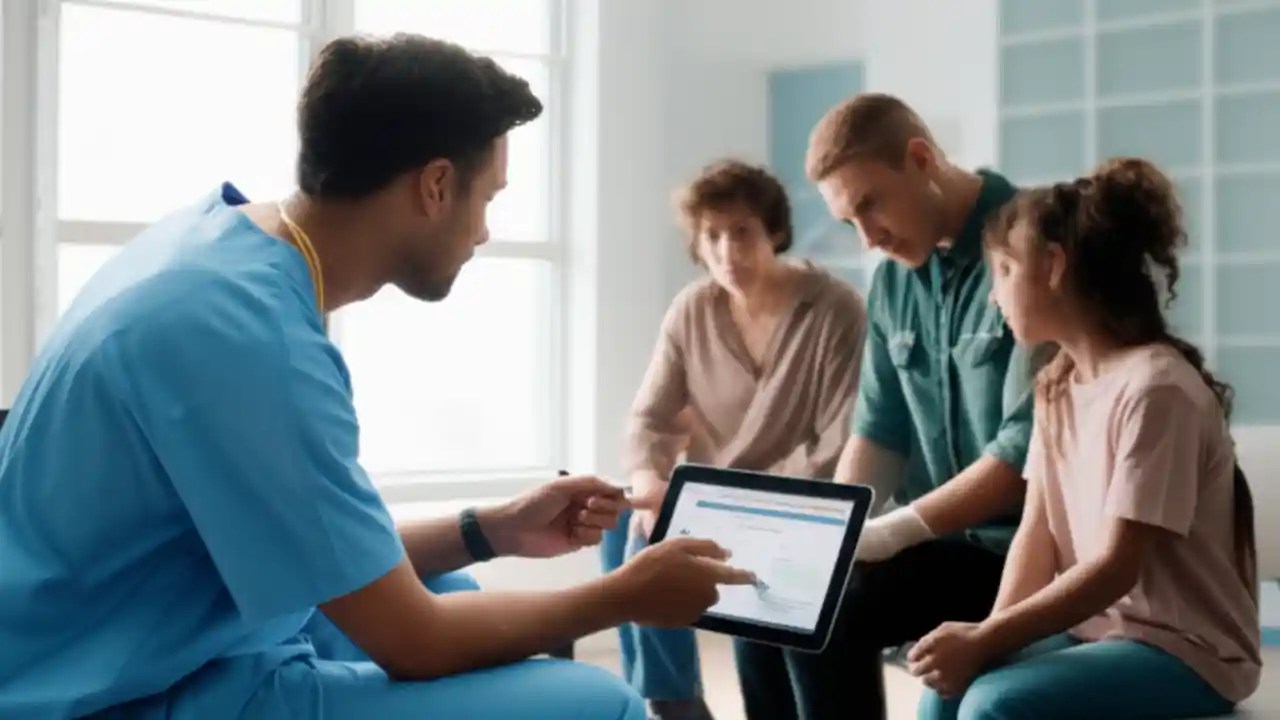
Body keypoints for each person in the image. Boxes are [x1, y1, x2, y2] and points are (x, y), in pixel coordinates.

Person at [0, 34, 758, 720]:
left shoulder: (212, 249)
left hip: (115, 629)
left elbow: (317, 551)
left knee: (457, 591)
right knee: (598, 703)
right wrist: (624, 595)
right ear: (434, 187)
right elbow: (415, 643)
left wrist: (487, 531)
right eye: (488, 196)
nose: (486, 230)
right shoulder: (253, 347)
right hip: (121, 694)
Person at [912, 157, 1262, 719]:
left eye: (1002, 270)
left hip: (1186, 650)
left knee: (993, 705)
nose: (993, 297)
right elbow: (1037, 533)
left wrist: (986, 644)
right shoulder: (1055, 384)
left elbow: (1116, 567)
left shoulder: (1157, 388)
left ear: (1052, 266)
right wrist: (988, 637)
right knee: (944, 693)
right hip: (1100, 631)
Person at [731, 93, 1036, 720]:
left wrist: (886, 535)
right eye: (850, 222)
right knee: (762, 595)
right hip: (937, 543)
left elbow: (1020, 459)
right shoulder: (896, 280)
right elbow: (878, 433)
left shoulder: (1027, 251)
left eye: (870, 204)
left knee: (831, 606)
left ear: (920, 159)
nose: (868, 238)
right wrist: (832, 536)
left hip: (1018, 549)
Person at [599, 158, 868, 720]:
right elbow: (649, 419)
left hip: (796, 501)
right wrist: (650, 484)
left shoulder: (834, 308)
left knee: (640, 546)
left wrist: (723, 502)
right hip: (712, 499)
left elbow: (837, 445)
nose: (727, 252)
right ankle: (673, 699)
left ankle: (670, 706)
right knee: (626, 521)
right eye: (712, 236)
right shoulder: (692, 309)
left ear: (773, 229)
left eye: (741, 232)